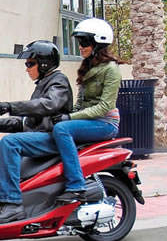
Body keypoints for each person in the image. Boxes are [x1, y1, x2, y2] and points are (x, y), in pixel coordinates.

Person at [0, 40, 73, 224]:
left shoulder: (58, 82)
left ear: (44, 63)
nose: (27, 68)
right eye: (27, 64)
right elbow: (27, 123)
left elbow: (47, 105)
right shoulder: (43, 83)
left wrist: (10, 106)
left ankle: (13, 204)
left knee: (10, 143)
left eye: (30, 63)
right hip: (40, 135)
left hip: (52, 137)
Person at [49, 18, 122, 203]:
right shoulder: (88, 67)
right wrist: (61, 115)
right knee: (53, 126)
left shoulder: (111, 70)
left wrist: (69, 118)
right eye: (80, 42)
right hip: (90, 120)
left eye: (85, 42)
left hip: (105, 123)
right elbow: (80, 103)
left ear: (98, 43)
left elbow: (105, 106)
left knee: (62, 129)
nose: (80, 47)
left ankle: (76, 186)